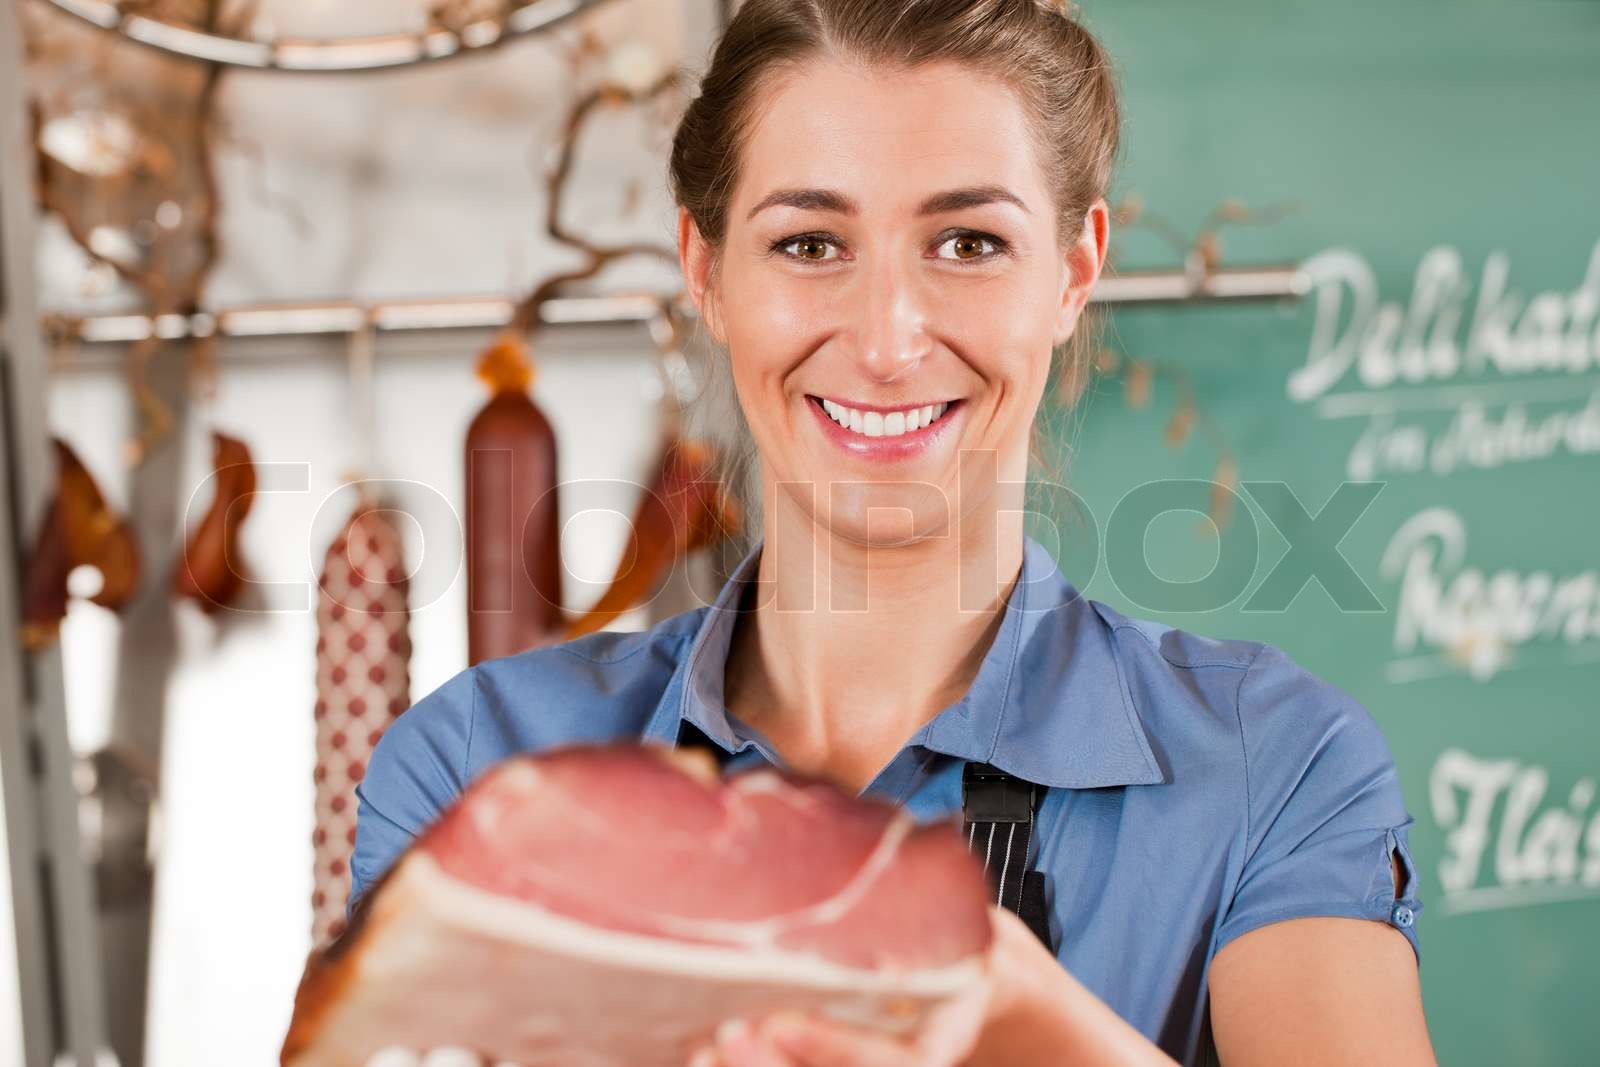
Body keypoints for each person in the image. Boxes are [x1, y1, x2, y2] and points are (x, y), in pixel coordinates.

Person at [349, 1, 1438, 1064]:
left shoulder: (1273, 767)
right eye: (810, 242)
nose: (884, 340)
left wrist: (1030, 1027)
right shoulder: (474, 768)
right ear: (705, 269)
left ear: (1073, 269)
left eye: (967, 242)